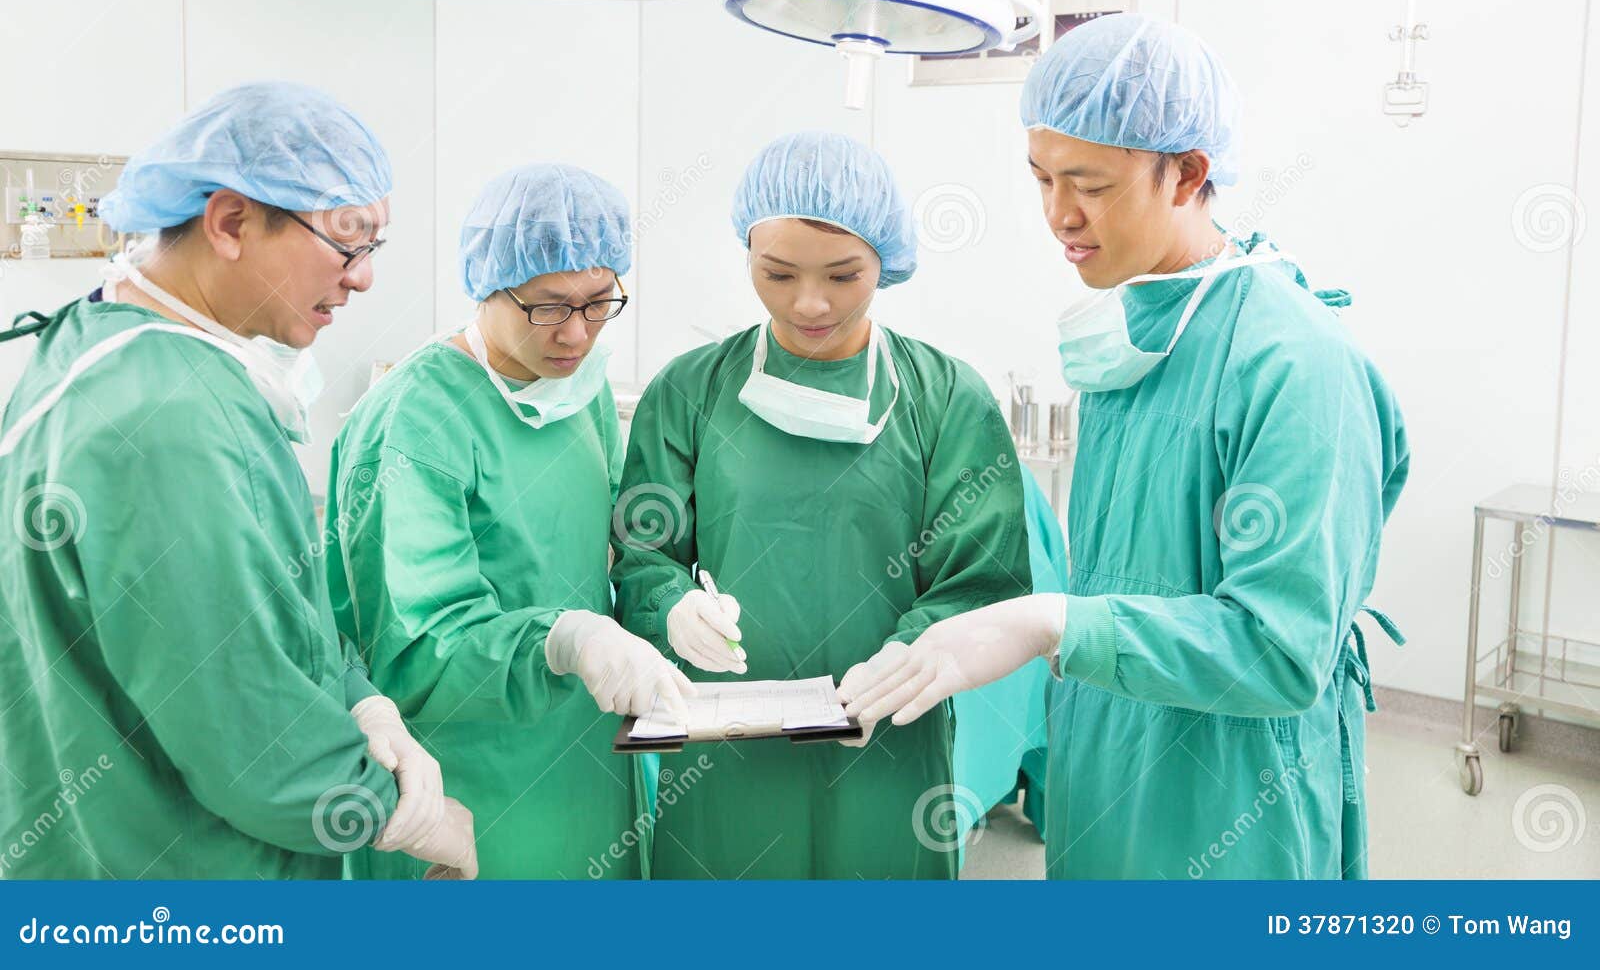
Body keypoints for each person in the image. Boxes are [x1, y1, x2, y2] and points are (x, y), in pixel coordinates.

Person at [842, 13, 1410, 880]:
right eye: (1040, 178)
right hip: (1109, 763)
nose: (1058, 215)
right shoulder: (1137, 336)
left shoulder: (1296, 365)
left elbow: (1281, 649)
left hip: (1231, 802)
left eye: (1090, 184)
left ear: (1188, 173)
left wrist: (1054, 622)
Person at [0, 82, 475, 878]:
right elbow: (250, 736)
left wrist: (359, 695)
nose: (361, 280)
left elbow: (256, 619)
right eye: (347, 243)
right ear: (229, 222)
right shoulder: (169, 420)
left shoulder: (105, 340)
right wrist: (414, 815)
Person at [612, 131, 1031, 879]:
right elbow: (646, 555)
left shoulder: (946, 400)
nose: (809, 302)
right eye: (776, 273)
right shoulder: (687, 392)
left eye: (844, 274)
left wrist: (912, 656)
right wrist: (670, 604)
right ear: (745, 253)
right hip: (725, 753)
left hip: (890, 746)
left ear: (887, 262)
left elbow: (982, 580)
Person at [324, 163, 690, 879]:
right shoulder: (413, 421)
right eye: (549, 305)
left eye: (599, 301)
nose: (577, 332)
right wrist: (566, 638)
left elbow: (609, 548)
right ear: (490, 283)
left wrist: (674, 603)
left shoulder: (577, 394)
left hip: (585, 764)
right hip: (464, 779)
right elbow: (416, 646)